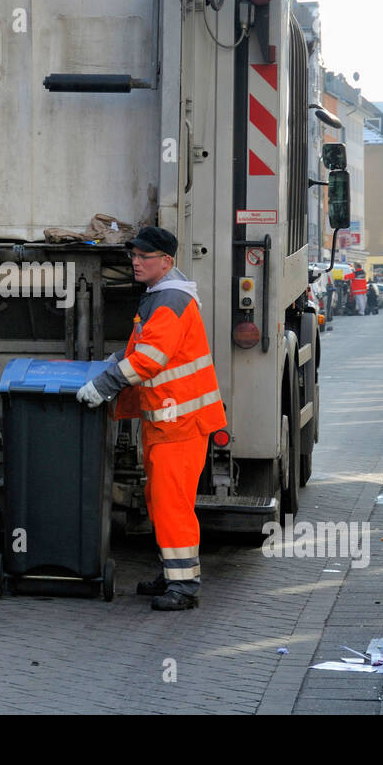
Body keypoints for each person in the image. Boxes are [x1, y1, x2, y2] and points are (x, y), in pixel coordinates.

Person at [74, 226, 226, 612]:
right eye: (134, 255)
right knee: (161, 501)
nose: (135, 262)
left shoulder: (169, 301)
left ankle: (184, 587)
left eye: (144, 256)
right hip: (169, 421)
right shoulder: (163, 297)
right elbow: (144, 352)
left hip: (180, 423)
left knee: (171, 503)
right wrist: (112, 366)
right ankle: (173, 573)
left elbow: (149, 360)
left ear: (167, 262)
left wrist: (105, 384)